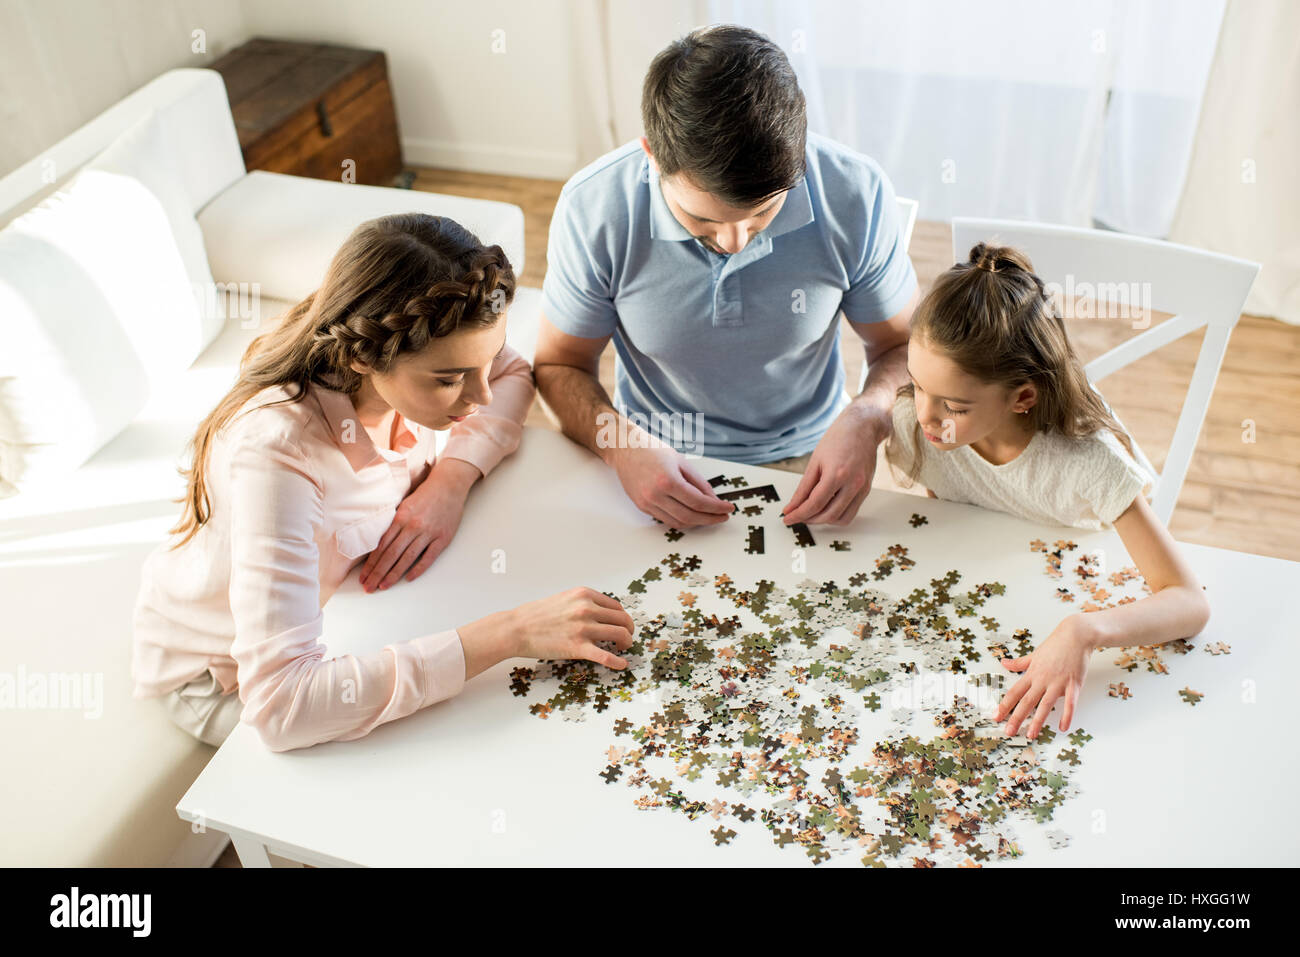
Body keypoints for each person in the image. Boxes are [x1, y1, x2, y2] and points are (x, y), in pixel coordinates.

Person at [131, 214, 634, 752]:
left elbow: (513, 375)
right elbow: (282, 706)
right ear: (362, 357)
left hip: (351, 608)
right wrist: (511, 633)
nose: (480, 397)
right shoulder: (279, 453)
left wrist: (451, 479)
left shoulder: (414, 353)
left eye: (483, 362)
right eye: (449, 380)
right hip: (222, 680)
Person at [534, 24, 918, 532]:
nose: (736, 241)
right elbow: (561, 365)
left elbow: (904, 348)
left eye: (763, 215)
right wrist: (622, 448)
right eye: (704, 221)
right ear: (653, 157)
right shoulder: (594, 208)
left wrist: (868, 419)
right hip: (648, 457)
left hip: (813, 454)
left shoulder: (856, 192)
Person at [884, 242, 1212, 738]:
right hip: (995, 597)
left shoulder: (1089, 461)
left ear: (1023, 397)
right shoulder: (919, 425)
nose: (925, 415)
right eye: (917, 384)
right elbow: (952, 521)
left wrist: (1085, 630)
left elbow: (1190, 601)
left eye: (953, 405)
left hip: (1079, 584)